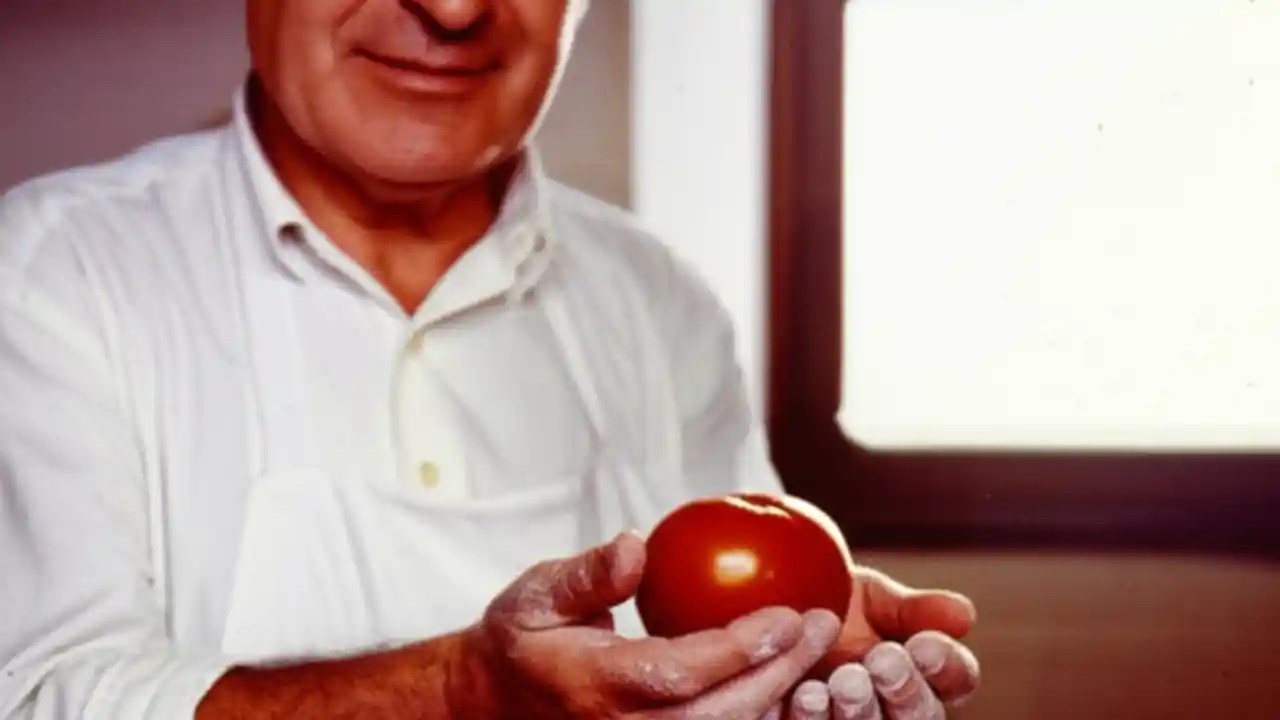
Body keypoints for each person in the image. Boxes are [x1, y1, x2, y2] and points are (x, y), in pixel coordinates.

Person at [0, 1, 980, 718]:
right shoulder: (50, 267)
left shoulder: (657, 297)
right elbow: (39, 695)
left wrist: (792, 675)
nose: (454, 7)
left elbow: (732, 642)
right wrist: (461, 690)